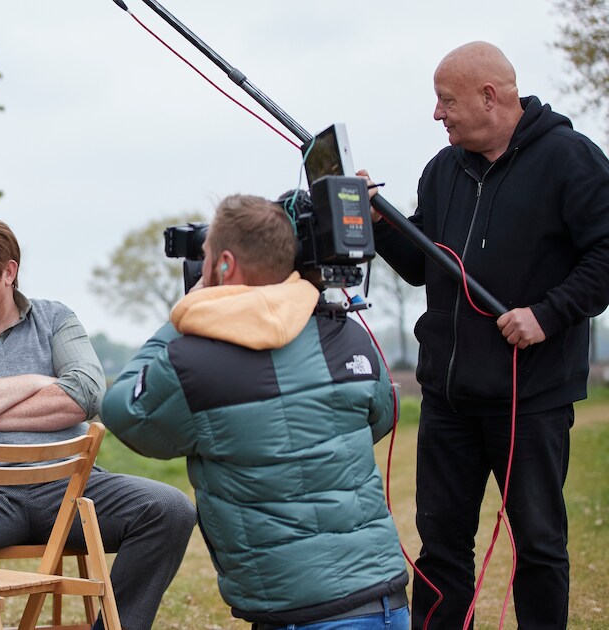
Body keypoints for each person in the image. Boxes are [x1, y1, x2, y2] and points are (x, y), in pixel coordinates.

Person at [363, 41, 609, 628]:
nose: (437, 113)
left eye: (446, 100)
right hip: (448, 399)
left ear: (489, 97)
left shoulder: (571, 158)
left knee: (539, 545)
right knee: (441, 548)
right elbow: (425, 262)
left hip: (532, 397)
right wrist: (381, 221)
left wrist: (547, 314)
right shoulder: (442, 168)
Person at [100, 195, 410, 629]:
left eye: (206, 257)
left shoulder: (192, 361)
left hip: (297, 614)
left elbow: (123, 411)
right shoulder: (346, 336)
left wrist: (185, 313)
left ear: (225, 265)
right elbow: (382, 413)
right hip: (385, 602)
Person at [0, 217, 197, 629]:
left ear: (8, 272)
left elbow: (88, 394)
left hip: (69, 487)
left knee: (171, 509)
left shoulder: (55, 319)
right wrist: (38, 382)